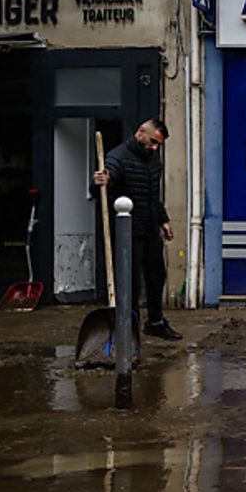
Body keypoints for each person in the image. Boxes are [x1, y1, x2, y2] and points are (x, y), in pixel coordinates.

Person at [91, 119, 182, 340]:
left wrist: (163, 220)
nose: (154, 147)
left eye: (158, 144)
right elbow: (102, 185)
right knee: (130, 283)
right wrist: (100, 181)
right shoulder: (117, 157)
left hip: (150, 227)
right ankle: (129, 328)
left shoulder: (153, 158)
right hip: (127, 231)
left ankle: (155, 322)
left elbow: (152, 194)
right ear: (140, 131)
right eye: (152, 142)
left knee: (156, 276)